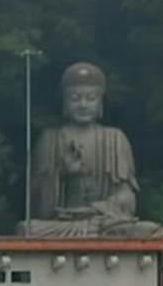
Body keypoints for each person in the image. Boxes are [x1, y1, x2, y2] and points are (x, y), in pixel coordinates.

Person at [33, 61, 143, 228]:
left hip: (103, 221)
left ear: (100, 101)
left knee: (144, 229)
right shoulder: (50, 139)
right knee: (30, 228)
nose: (83, 105)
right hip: (61, 224)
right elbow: (38, 204)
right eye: (75, 98)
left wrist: (96, 209)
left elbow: (128, 197)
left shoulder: (115, 138)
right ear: (65, 101)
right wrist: (62, 173)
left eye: (91, 98)